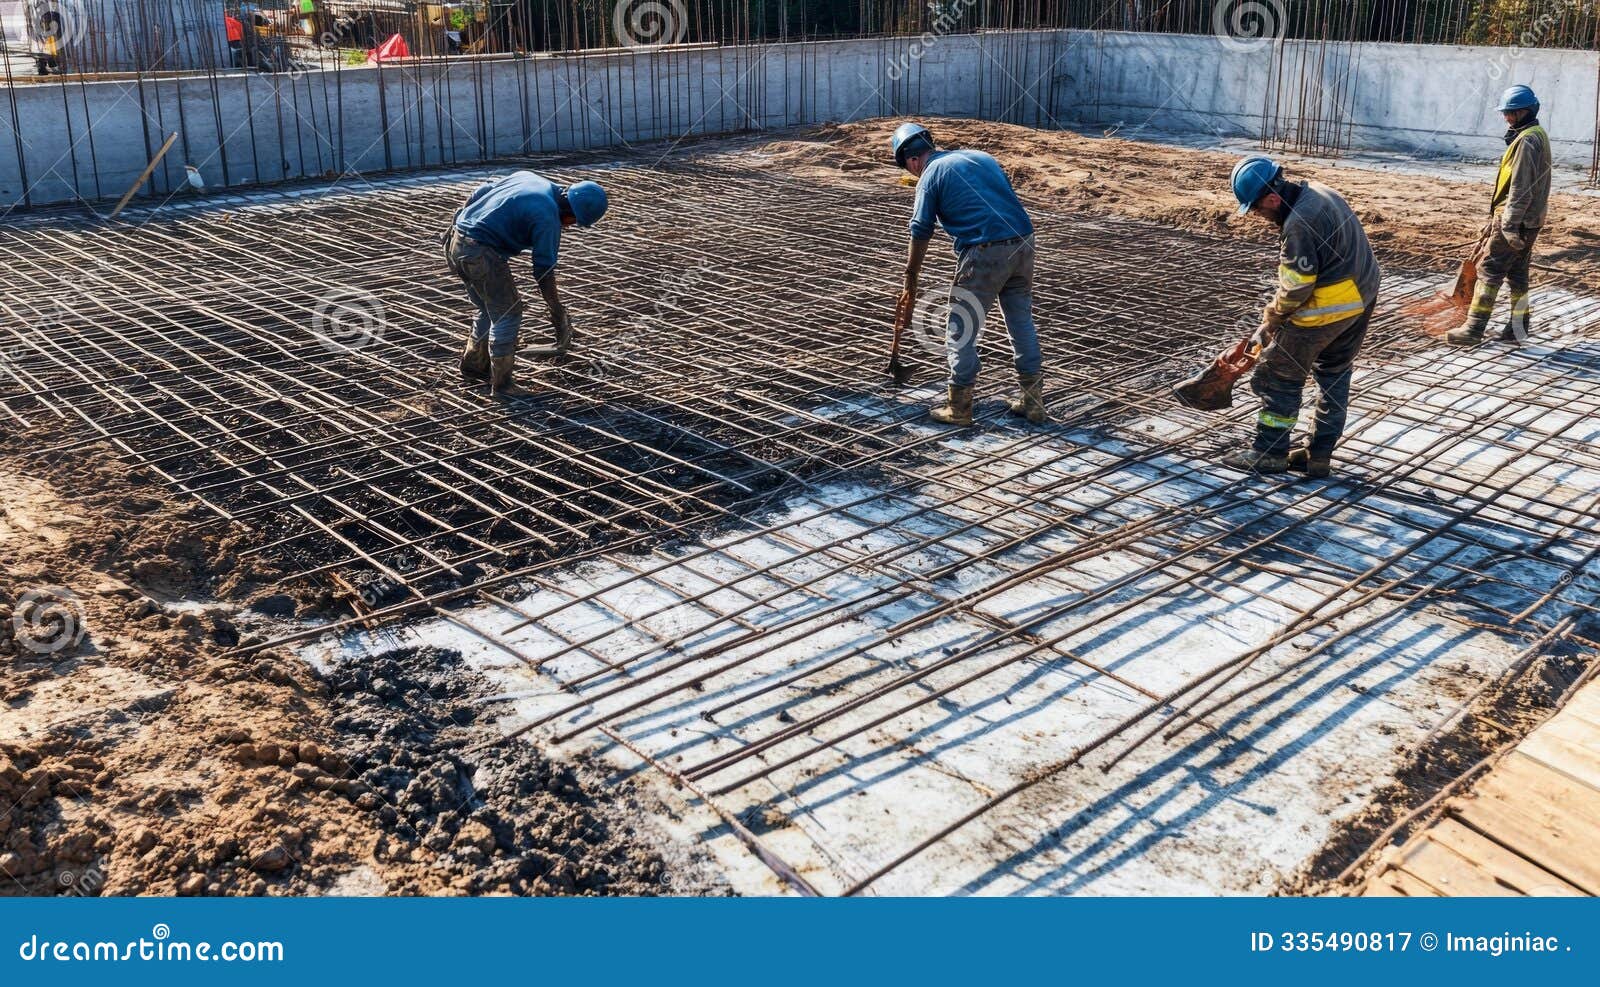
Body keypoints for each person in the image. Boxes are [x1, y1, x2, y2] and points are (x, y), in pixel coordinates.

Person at [1226, 155, 1381, 478]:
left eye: (1257, 209)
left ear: (1272, 197)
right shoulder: (1319, 191)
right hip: (1363, 292)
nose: (1258, 216)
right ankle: (1318, 456)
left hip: (1331, 303)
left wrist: (1270, 323)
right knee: (1334, 373)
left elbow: (1296, 288)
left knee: (1277, 376)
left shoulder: (1298, 223)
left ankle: (1269, 453)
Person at [891, 122, 1046, 426]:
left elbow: (920, 229)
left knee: (960, 327)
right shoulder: (981, 157)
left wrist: (912, 273)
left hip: (986, 251)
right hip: (1024, 243)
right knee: (1020, 320)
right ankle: (1034, 402)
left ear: (911, 160)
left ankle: (959, 406)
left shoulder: (930, 174)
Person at [443, 172, 608, 397]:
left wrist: (457, 224)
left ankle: (473, 364)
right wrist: (555, 309)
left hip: (456, 241)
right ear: (570, 213)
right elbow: (543, 270)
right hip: (479, 254)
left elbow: (478, 193)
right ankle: (503, 386)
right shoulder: (548, 217)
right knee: (508, 314)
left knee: (486, 308)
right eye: (572, 222)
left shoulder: (528, 178)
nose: (569, 227)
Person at [1447, 85, 1552, 346]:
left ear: (1528, 111)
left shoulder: (1527, 140)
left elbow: (1521, 187)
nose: (1508, 118)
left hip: (1516, 221)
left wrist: (1509, 225)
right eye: (1506, 113)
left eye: (1513, 114)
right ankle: (1518, 329)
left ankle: (1473, 329)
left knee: (1489, 270)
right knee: (1517, 274)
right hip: (1530, 221)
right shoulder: (1535, 135)